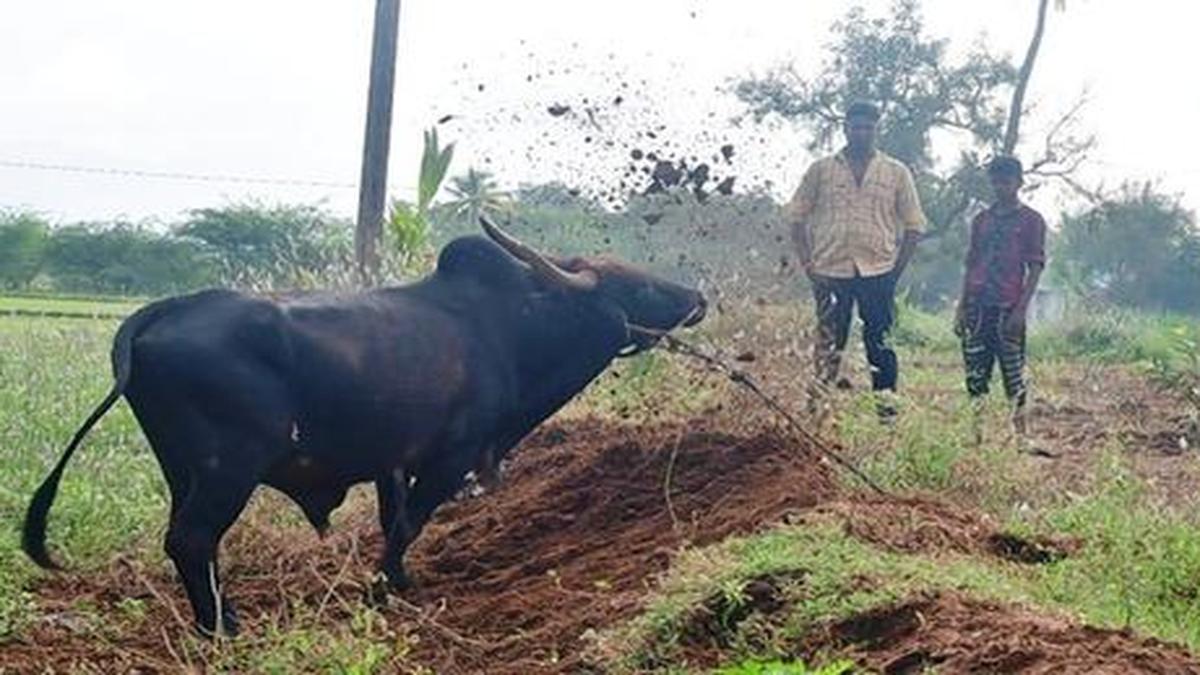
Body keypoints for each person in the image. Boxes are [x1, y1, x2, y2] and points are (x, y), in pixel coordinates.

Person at [787, 102, 926, 421]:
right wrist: (809, 267)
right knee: (829, 345)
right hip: (829, 272)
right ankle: (818, 413)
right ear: (845, 129)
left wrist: (895, 273)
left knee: (881, 345)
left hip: (878, 272)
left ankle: (887, 416)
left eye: (868, 127)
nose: (862, 132)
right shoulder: (821, 170)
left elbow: (914, 225)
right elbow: (796, 217)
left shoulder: (896, 172)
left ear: (877, 130)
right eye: (856, 126)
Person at [954, 155, 1046, 446]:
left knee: (1013, 374)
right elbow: (970, 264)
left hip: (1008, 307)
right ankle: (976, 435)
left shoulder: (1031, 220)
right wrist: (960, 307)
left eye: (1006, 181)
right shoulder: (981, 221)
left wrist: (1022, 309)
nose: (1000, 186)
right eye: (996, 181)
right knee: (976, 374)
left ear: (1019, 182)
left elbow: (1035, 266)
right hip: (977, 307)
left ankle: (1021, 437)